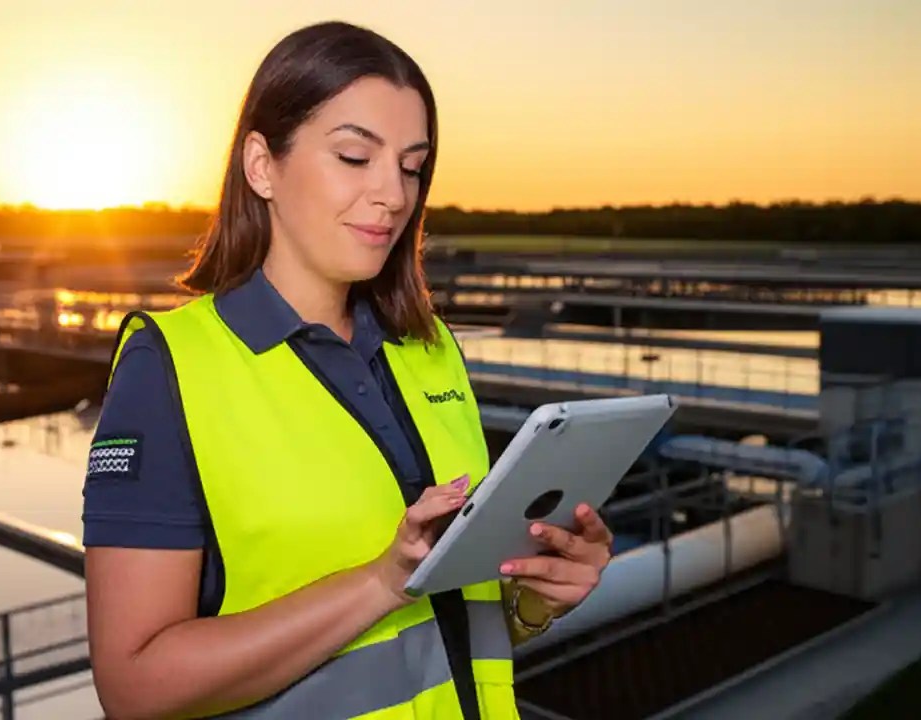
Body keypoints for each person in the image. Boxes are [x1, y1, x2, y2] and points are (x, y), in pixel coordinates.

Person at [81, 20, 613, 719]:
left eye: (412, 166)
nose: (394, 194)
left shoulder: (428, 348)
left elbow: (453, 627)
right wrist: (380, 584)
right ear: (262, 165)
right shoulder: (170, 366)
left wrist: (538, 593)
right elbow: (134, 685)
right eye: (355, 157)